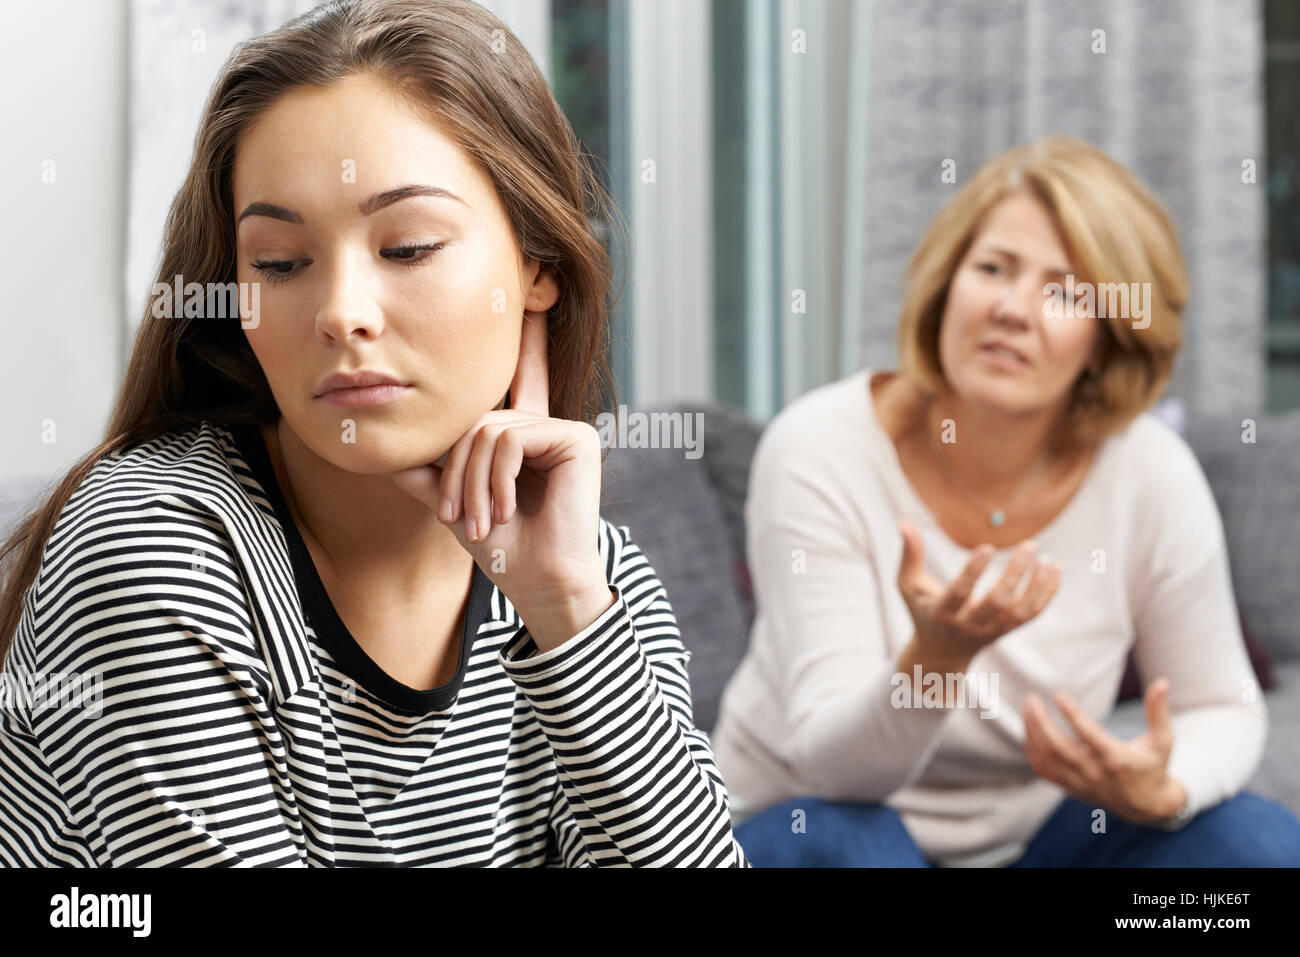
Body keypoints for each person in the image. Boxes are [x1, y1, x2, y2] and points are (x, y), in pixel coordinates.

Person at [0, 0, 747, 868]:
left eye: (409, 246)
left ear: (537, 266)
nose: (343, 314)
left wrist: (563, 608)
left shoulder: (589, 573)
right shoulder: (156, 548)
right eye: (279, 264)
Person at [712, 133, 1300, 867]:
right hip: (819, 825)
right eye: (993, 269)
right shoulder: (819, 448)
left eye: (1063, 291)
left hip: (1033, 846)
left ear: (1110, 339)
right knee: (842, 843)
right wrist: (936, 658)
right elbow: (839, 771)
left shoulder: (1149, 472)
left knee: (1253, 843)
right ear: (946, 286)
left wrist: (1167, 786)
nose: (1014, 310)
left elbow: (1221, 704)